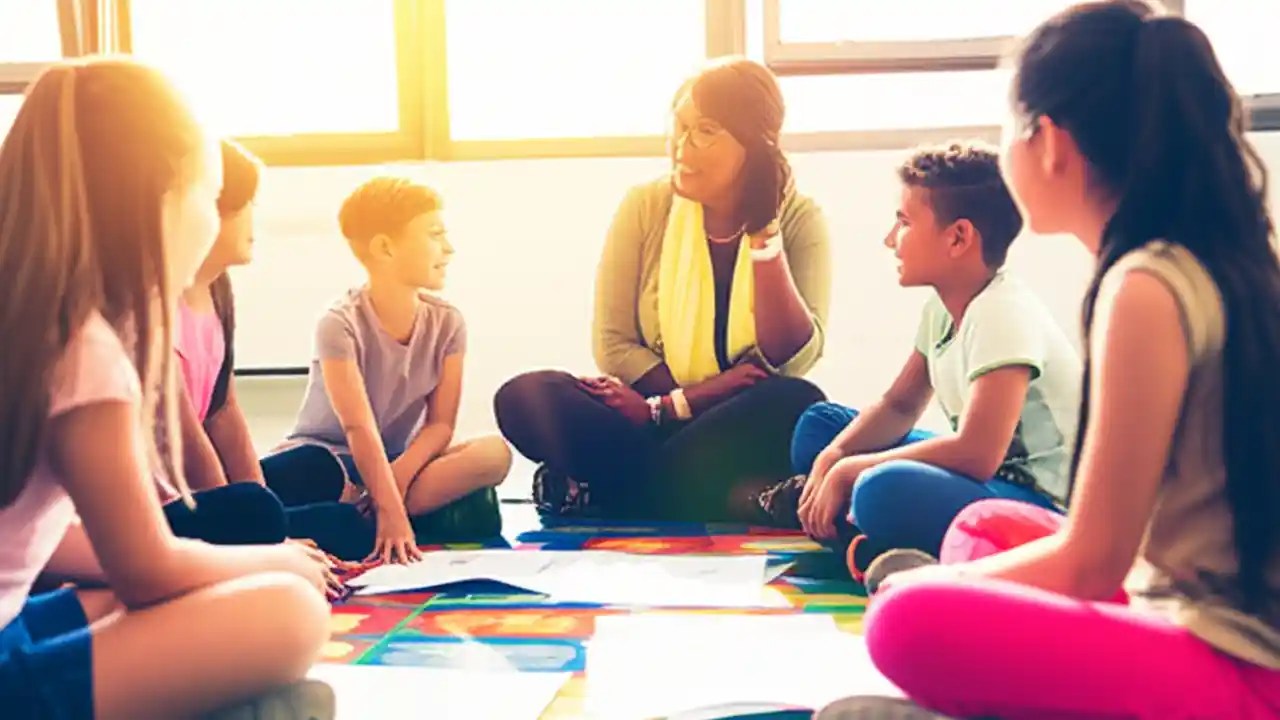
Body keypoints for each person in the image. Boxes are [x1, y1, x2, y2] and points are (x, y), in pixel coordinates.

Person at [818, 2, 1280, 718]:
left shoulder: (1146, 288)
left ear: (1051, 143)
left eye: (1008, 129)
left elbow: (1093, 564)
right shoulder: (1216, 258)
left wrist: (931, 594)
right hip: (1179, 592)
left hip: (1237, 670)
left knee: (900, 620)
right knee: (982, 529)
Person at [0, 57, 334, 719]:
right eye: (207, 199)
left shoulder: (27, 314)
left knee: (132, 602)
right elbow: (146, 569)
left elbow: (41, 541)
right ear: (158, 200)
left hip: (15, 614)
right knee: (290, 610)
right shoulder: (83, 346)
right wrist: (273, 562)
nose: (211, 221)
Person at [494, 56, 830, 522]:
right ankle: (725, 497)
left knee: (797, 402)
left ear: (754, 142)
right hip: (641, 419)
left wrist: (764, 233)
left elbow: (790, 359)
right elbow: (612, 342)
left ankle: (611, 492)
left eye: (705, 130)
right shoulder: (645, 206)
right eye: (679, 128)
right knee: (525, 396)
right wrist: (672, 406)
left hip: (726, 425)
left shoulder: (798, 218)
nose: (681, 146)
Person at [762, 143, 1080, 579]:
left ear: (958, 237)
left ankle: (871, 535)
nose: (890, 239)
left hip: (1035, 505)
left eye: (904, 222)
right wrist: (834, 456)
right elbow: (899, 405)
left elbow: (976, 453)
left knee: (878, 488)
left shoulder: (1001, 312)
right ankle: (872, 538)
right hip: (981, 482)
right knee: (818, 428)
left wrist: (851, 470)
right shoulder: (943, 307)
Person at [261, 177, 512, 564]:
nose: (449, 248)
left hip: (401, 462)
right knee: (315, 474)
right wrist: (390, 506)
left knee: (493, 453)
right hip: (335, 464)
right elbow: (357, 428)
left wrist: (396, 480)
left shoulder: (448, 323)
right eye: (434, 234)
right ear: (384, 247)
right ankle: (383, 514)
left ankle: (372, 513)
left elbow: (440, 426)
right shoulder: (339, 323)